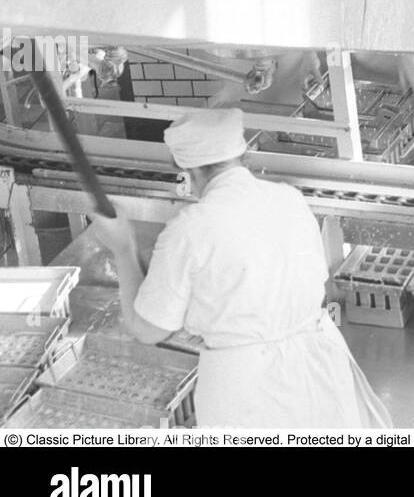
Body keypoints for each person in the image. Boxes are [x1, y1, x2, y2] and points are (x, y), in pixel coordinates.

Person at [90, 108, 390, 429]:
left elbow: (148, 328)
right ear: (241, 154)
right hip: (321, 368)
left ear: (187, 170)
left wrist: (123, 246)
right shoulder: (290, 199)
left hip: (250, 389)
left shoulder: (191, 227)